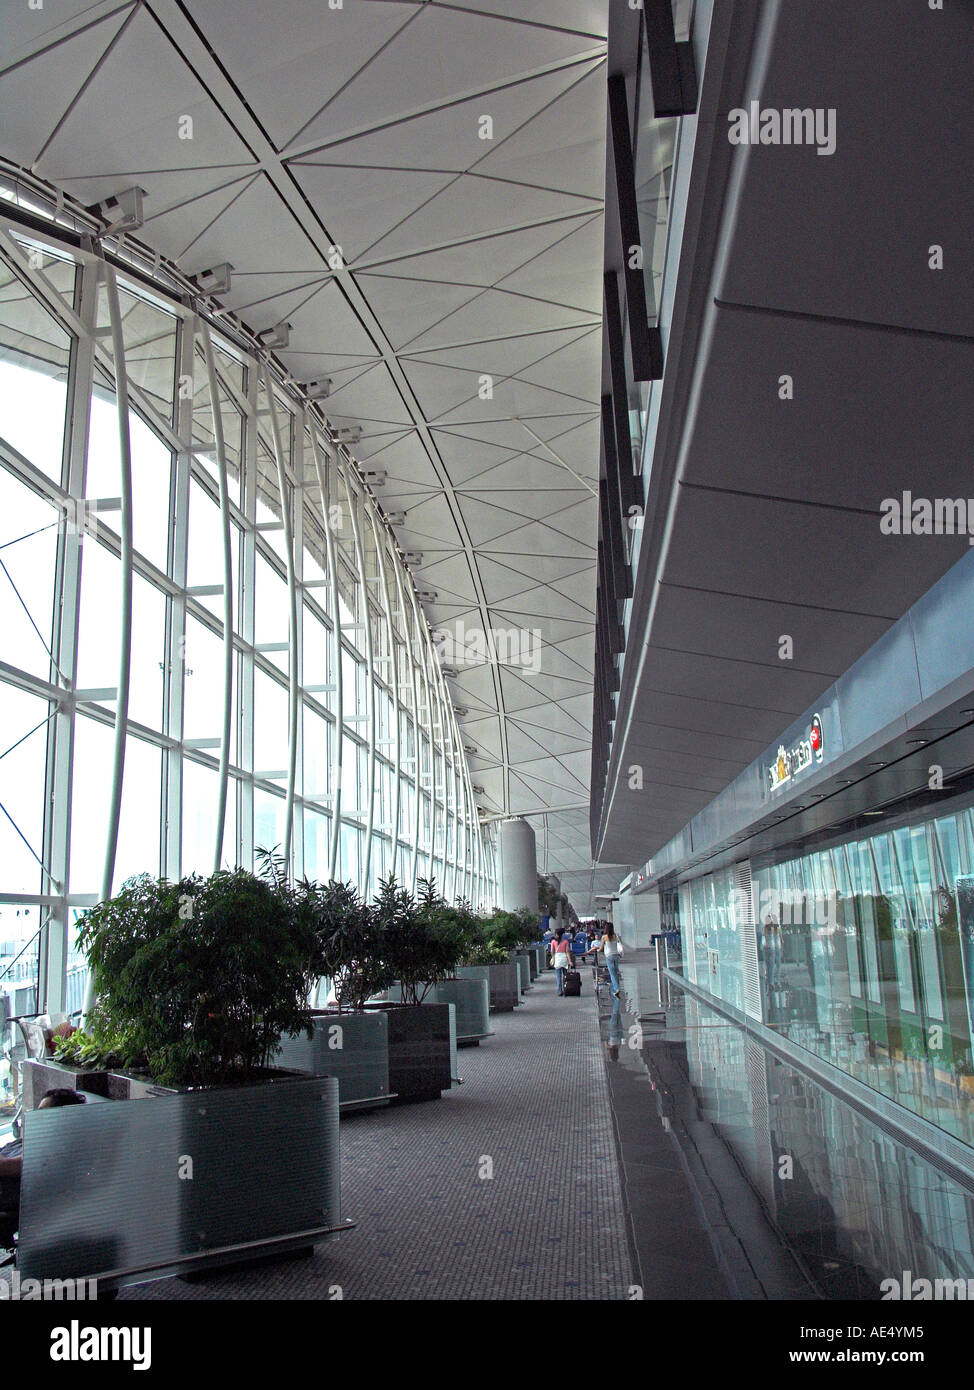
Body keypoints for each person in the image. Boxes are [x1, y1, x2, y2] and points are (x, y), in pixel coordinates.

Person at [0, 1088, 87, 1248]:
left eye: (42, 1112)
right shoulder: (28, 1142)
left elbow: (4, 1167)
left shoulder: (51, 1154)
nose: (35, 1116)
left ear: (61, 1120)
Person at [585, 923, 623, 998]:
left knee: (612, 973)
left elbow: (601, 948)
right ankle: (617, 987)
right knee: (616, 972)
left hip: (609, 956)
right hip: (616, 955)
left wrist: (598, 950)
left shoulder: (604, 937)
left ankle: (617, 988)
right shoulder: (616, 936)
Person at [549, 927, 574, 997]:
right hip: (564, 959)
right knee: (565, 976)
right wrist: (570, 961)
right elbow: (567, 952)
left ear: (556, 934)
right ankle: (566, 989)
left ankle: (559, 991)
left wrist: (553, 958)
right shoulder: (566, 941)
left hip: (557, 959)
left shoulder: (553, 942)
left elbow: (552, 951)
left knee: (558, 976)